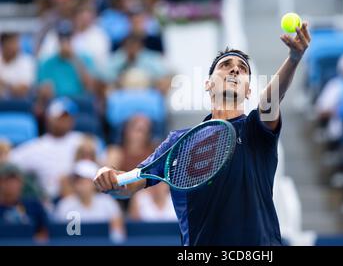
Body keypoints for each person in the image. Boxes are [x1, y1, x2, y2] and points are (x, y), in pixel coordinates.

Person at [94, 23, 311, 246]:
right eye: (226, 65)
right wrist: (109, 178)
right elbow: (131, 184)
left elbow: (270, 101)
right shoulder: (178, 142)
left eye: (242, 68)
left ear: (248, 91)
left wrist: (293, 58)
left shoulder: (256, 131)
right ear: (208, 84)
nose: (235, 70)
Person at [10, 97, 85, 200]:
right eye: (61, 117)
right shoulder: (37, 146)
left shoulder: (82, 141)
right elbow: (9, 162)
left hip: (82, 195)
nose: (64, 121)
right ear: (49, 118)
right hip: (51, 200)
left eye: (68, 117)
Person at [54, 160, 124, 242]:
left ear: (93, 182)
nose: (79, 184)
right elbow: (60, 236)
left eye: (83, 180)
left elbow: (118, 232)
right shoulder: (65, 205)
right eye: (77, 180)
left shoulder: (107, 202)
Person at [37, 19, 95, 98]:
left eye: (68, 38)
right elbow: (42, 89)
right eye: (62, 38)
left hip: (79, 101)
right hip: (56, 101)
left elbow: (90, 88)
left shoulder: (85, 59)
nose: (65, 42)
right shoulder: (47, 63)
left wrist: (74, 58)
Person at [0, 163, 49, 241]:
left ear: (21, 183)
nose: (12, 185)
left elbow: (44, 232)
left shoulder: (33, 205)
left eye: (15, 181)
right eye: (7, 181)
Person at [0, 32, 35, 98]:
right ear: (4, 44)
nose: (16, 46)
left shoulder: (27, 61)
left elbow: (23, 90)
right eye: (12, 43)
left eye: (17, 43)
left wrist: (4, 84)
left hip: (20, 103)